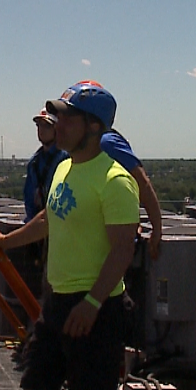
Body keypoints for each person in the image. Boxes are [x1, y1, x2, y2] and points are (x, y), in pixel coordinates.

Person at [0, 82, 139, 390]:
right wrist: (6, 241)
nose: (60, 123)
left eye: (69, 118)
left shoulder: (115, 181)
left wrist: (92, 303)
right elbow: (49, 218)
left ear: (95, 126)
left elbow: (122, 251)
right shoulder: (64, 168)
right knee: (37, 385)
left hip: (96, 309)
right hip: (56, 303)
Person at [77, 80, 163, 259]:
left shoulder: (107, 143)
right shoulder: (75, 149)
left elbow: (142, 183)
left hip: (107, 244)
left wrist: (156, 229)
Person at [23, 109, 67, 223]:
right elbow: (29, 199)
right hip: (40, 225)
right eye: (39, 126)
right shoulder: (34, 162)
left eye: (46, 126)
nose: (41, 130)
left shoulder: (66, 159)